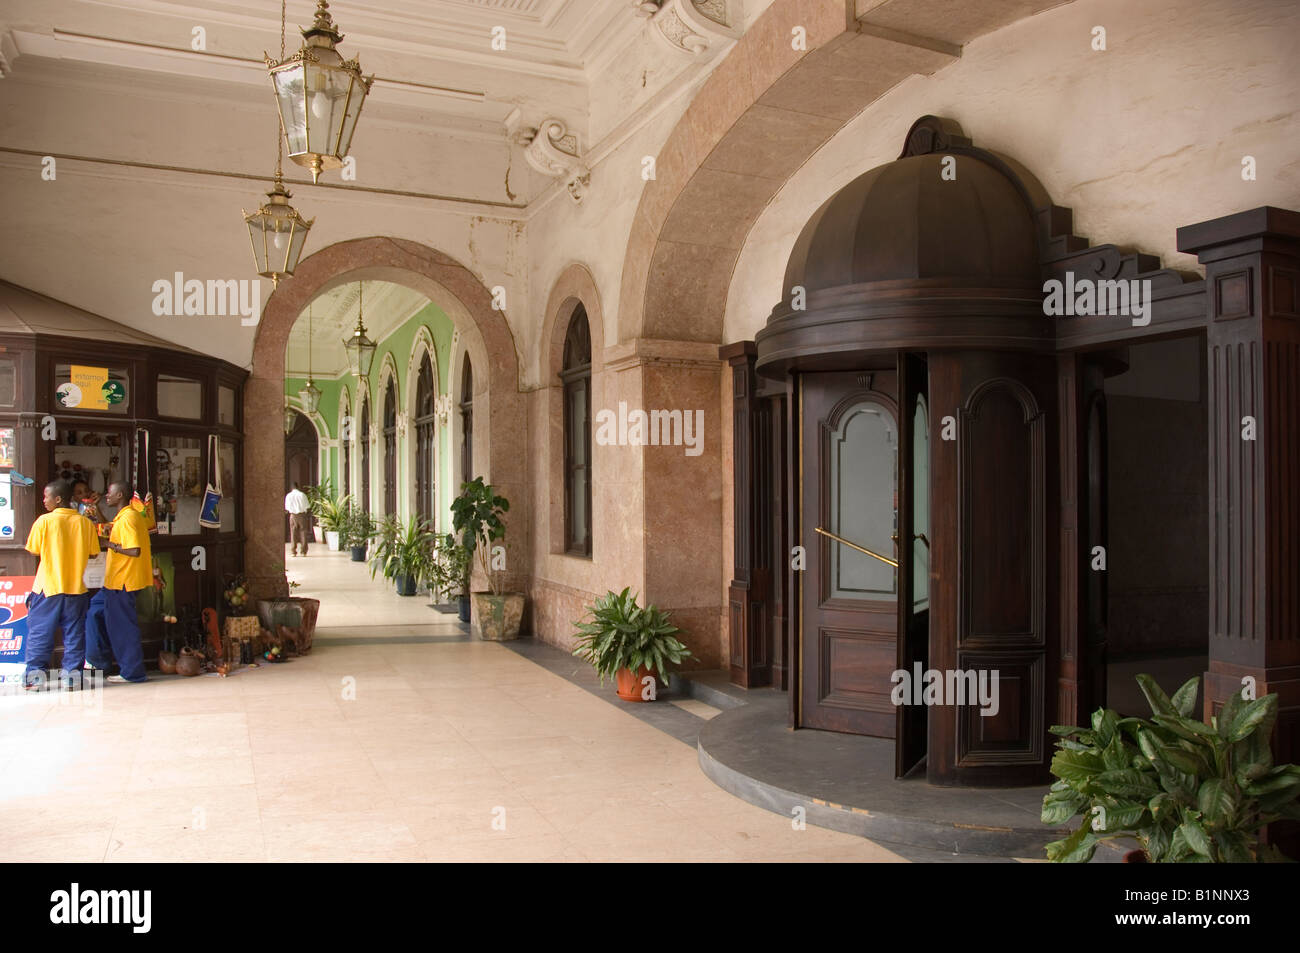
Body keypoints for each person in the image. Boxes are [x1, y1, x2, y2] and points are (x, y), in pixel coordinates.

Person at [23, 479, 100, 690]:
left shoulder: (44, 521)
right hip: (76, 588)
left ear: (57, 499)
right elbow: (94, 553)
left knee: (40, 634)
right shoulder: (85, 523)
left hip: (48, 588)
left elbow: (33, 550)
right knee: (75, 635)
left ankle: (35, 680)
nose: (44, 500)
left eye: (46, 497)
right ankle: (72, 680)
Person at [93, 481, 151, 684]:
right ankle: (97, 660)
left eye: (109, 493)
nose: (106, 496)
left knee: (123, 627)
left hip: (123, 581)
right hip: (115, 582)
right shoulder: (125, 516)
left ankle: (132, 672)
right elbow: (107, 529)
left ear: (120, 496)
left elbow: (135, 550)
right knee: (94, 610)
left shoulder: (128, 519)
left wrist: (109, 545)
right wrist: (97, 509)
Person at [285, 481, 312, 556]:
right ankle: (303, 552)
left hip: (293, 515)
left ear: (291, 488)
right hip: (302, 515)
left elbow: (286, 508)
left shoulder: (289, 495)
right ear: (298, 487)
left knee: (293, 533)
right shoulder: (302, 495)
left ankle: (293, 551)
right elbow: (307, 506)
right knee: (303, 532)